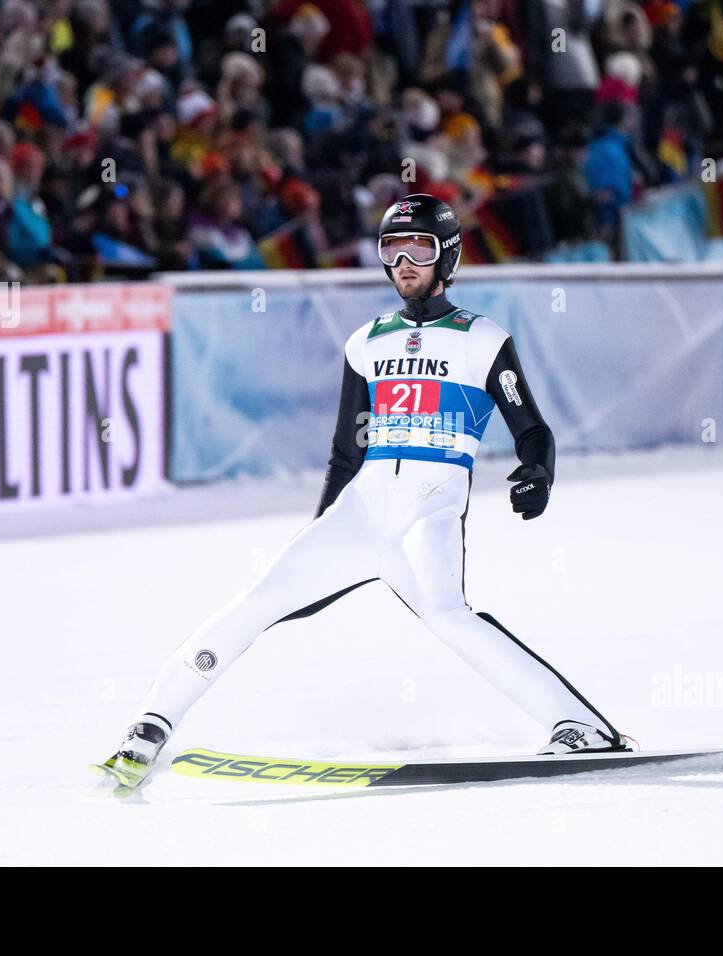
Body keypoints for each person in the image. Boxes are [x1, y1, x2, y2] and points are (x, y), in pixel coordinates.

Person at [97, 194, 634, 789]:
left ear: (447, 255)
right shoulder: (366, 343)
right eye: (391, 250)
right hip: (360, 513)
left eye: (419, 249)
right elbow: (347, 453)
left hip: (428, 516)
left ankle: (583, 726)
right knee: (256, 602)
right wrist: (322, 536)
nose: (403, 262)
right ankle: (151, 723)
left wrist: (539, 472)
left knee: (452, 618)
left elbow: (531, 428)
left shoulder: (482, 339)